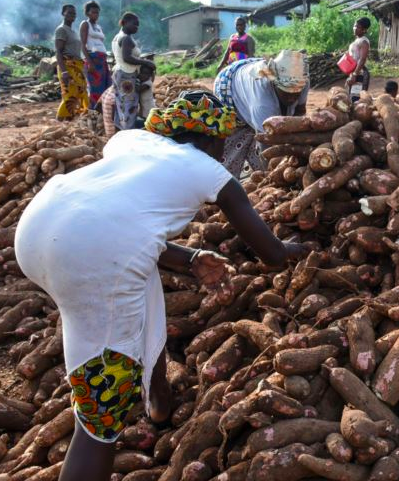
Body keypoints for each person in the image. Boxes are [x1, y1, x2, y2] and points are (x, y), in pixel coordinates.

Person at [14, 90, 310, 481]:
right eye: (222, 143)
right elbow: (270, 254)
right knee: (101, 418)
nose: (224, 152)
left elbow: (120, 218)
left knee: (139, 284)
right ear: (212, 139)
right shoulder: (211, 171)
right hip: (90, 258)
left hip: (37, 231)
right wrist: (301, 247)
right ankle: (105, 427)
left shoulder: (130, 139)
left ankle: (158, 401)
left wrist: (187, 259)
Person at [214, 49, 309, 178]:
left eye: (295, 93)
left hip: (249, 69)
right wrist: (276, 175)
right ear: (274, 83)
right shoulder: (262, 101)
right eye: (286, 93)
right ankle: (223, 182)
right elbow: (266, 141)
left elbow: (300, 113)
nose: (292, 98)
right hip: (228, 86)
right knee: (237, 145)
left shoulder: (302, 80)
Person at [112, 12, 155, 130]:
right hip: (127, 75)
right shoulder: (126, 38)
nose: (137, 27)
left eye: (138, 25)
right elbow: (127, 58)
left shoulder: (118, 36)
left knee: (121, 105)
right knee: (129, 105)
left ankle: (120, 131)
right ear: (125, 22)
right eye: (134, 24)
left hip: (120, 72)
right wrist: (145, 62)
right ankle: (128, 132)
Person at [55, 4, 89, 121]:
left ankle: (70, 122)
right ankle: (59, 122)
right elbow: (58, 52)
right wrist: (64, 71)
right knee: (69, 96)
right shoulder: (61, 30)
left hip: (77, 67)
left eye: (74, 13)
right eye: (69, 13)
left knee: (81, 93)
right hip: (67, 67)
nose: (72, 15)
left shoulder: (73, 31)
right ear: (63, 13)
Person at [79, 1, 110, 110]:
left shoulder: (98, 27)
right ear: (87, 13)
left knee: (105, 88)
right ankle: (92, 114)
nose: (96, 15)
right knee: (94, 89)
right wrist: (90, 63)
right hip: (92, 59)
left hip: (102, 61)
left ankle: (101, 113)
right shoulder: (85, 24)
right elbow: (82, 45)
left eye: (97, 13)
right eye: (93, 12)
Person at [346, 17, 371, 102]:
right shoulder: (357, 40)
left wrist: (355, 74)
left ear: (364, 30)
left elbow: (362, 59)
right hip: (354, 72)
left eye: (358, 27)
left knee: (356, 99)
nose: (355, 28)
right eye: (354, 26)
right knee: (350, 98)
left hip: (360, 72)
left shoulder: (364, 42)